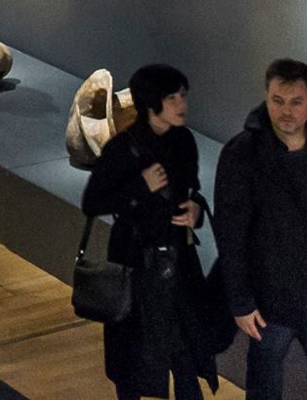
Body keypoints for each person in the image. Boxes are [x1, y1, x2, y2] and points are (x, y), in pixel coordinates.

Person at [213, 58, 307, 400]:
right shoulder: (243, 154)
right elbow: (230, 233)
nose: (286, 111)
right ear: (267, 98)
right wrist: (241, 302)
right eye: (278, 101)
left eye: (295, 102)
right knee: (264, 391)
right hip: (269, 304)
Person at [81, 64, 221, 400]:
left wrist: (196, 211)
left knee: (184, 354)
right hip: (136, 265)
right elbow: (93, 202)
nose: (181, 104)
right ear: (151, 104)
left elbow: (192, 190)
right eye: (172, 98)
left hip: (178, 265)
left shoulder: (184, 141)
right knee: (134, 359)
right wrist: (139, 188)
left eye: (182, 96)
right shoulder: (122, 148)